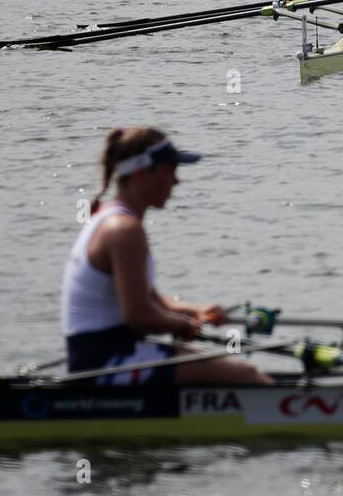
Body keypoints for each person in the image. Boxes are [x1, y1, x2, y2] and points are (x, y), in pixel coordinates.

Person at [63, 128, 271, 385]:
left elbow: (151, 301)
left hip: (104, 354)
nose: (176, 181)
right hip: (105, 361)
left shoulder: (111, 217)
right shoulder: (123, 230)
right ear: (141, 174)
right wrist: (182, 325)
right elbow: (138, 315)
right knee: (247, 375)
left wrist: (195, 311)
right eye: (170, 170)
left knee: (224, 367)